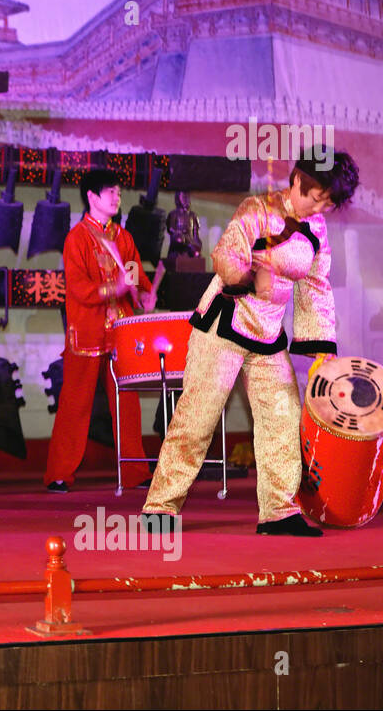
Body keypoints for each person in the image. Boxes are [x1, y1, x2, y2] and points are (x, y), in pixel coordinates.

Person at [141, 152, 360, 536]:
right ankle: (161, 506)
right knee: (196, 420)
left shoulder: (317, 229)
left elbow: (315, 288)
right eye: (319, 196)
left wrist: (323, 350)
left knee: (282, 419)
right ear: (298, 181)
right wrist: (248, 274)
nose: (322, 206)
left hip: (268, 335)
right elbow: (224, 254)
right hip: (224, 325)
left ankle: (279, 511)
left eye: (329, 202)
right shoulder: (255, 209)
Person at [44, 170, 156, 492]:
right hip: (87, 332)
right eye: (110, 192)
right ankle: (59, 473)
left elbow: (133, 270)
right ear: (92, 197)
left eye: (118, 192)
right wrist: (114, 287)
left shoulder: (123, 237)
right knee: (75, 403)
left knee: (127, 401)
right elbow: (79, 289)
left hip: (121, 331)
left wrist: (144, 290)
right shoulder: (76, 238)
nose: (116, 197)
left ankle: (135, 471)